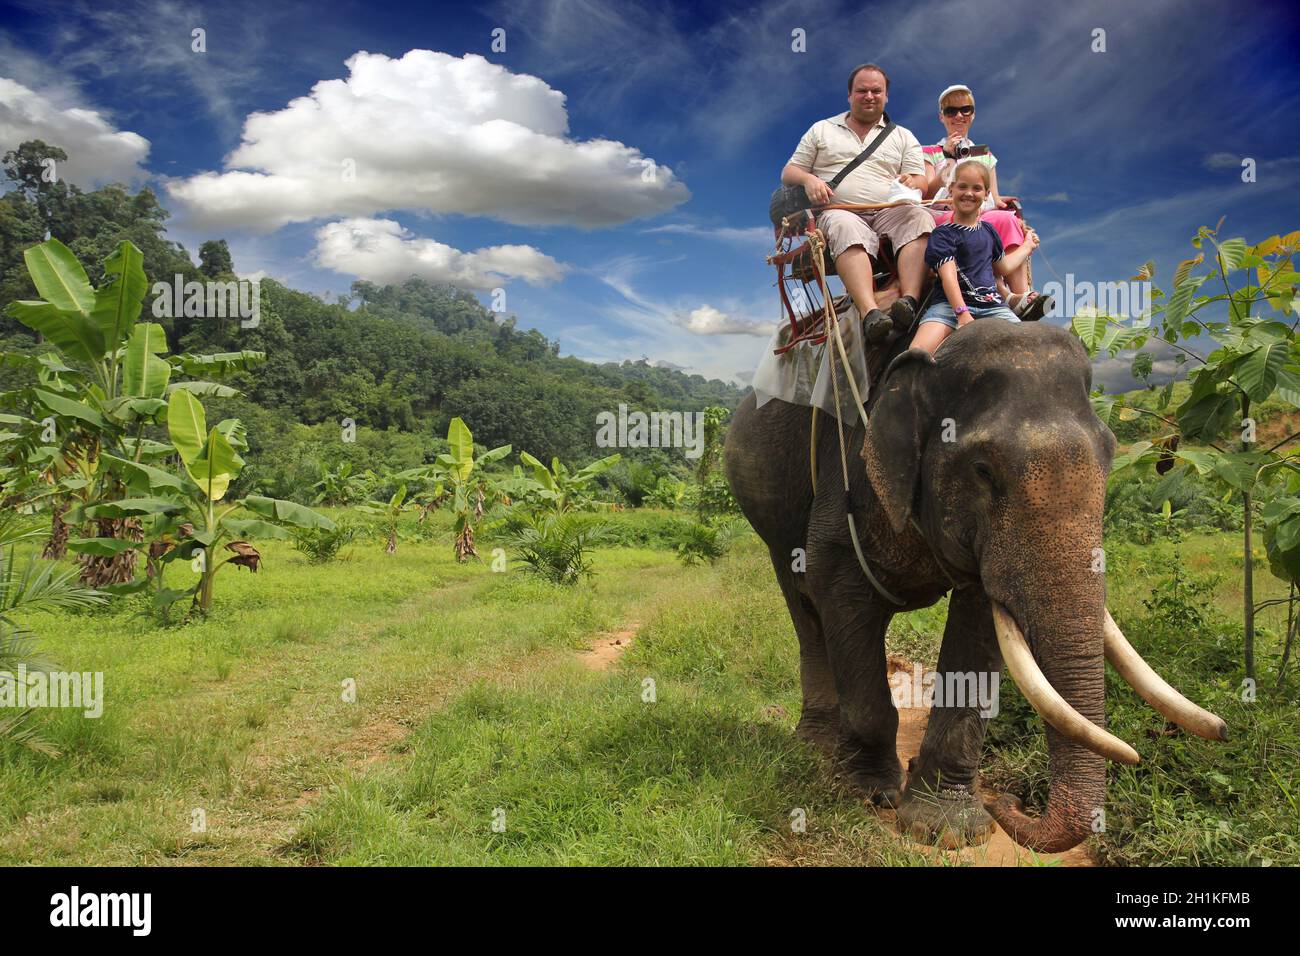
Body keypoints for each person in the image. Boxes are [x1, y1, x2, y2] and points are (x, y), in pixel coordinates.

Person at [781, 63, 933, 343]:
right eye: (862, 90)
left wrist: (915, 183)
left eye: (877, 91)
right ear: (849, 95)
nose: (870, 96)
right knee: (842, 225)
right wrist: (809, 180)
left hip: (890, 210)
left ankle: (909, 300)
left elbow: (921, 180)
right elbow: (789, 171)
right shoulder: (822, 129)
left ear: (886, 96)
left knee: (919, 217)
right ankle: (871, 313)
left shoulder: (903, 136)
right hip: (841, 210)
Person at [921, 84, 1050, 320]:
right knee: (966, 226)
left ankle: (1021, 295)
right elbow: (928, 193)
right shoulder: (930, 151)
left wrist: (1006, 206)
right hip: (945, 212)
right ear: (942, 116)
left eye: (965, 109)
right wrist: (949, 157)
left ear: (973, 114)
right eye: (951, 111)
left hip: (981, 214)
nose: (958, 115)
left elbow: (994, 198)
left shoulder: (984, 153)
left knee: (1005, 219)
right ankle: (999, 293)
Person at [911, 161, 1039, 354]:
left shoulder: (989, 231)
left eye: (977, 188)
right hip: (949, 307)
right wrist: (962, 313)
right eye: (962, 186)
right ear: (951, 190)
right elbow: (949, 277)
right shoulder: (943, 234)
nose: (969, 193)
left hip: (992, 305)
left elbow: (1002, 267)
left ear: (986, 194)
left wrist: (1027, 245)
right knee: (917, 352)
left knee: (1031, 348)